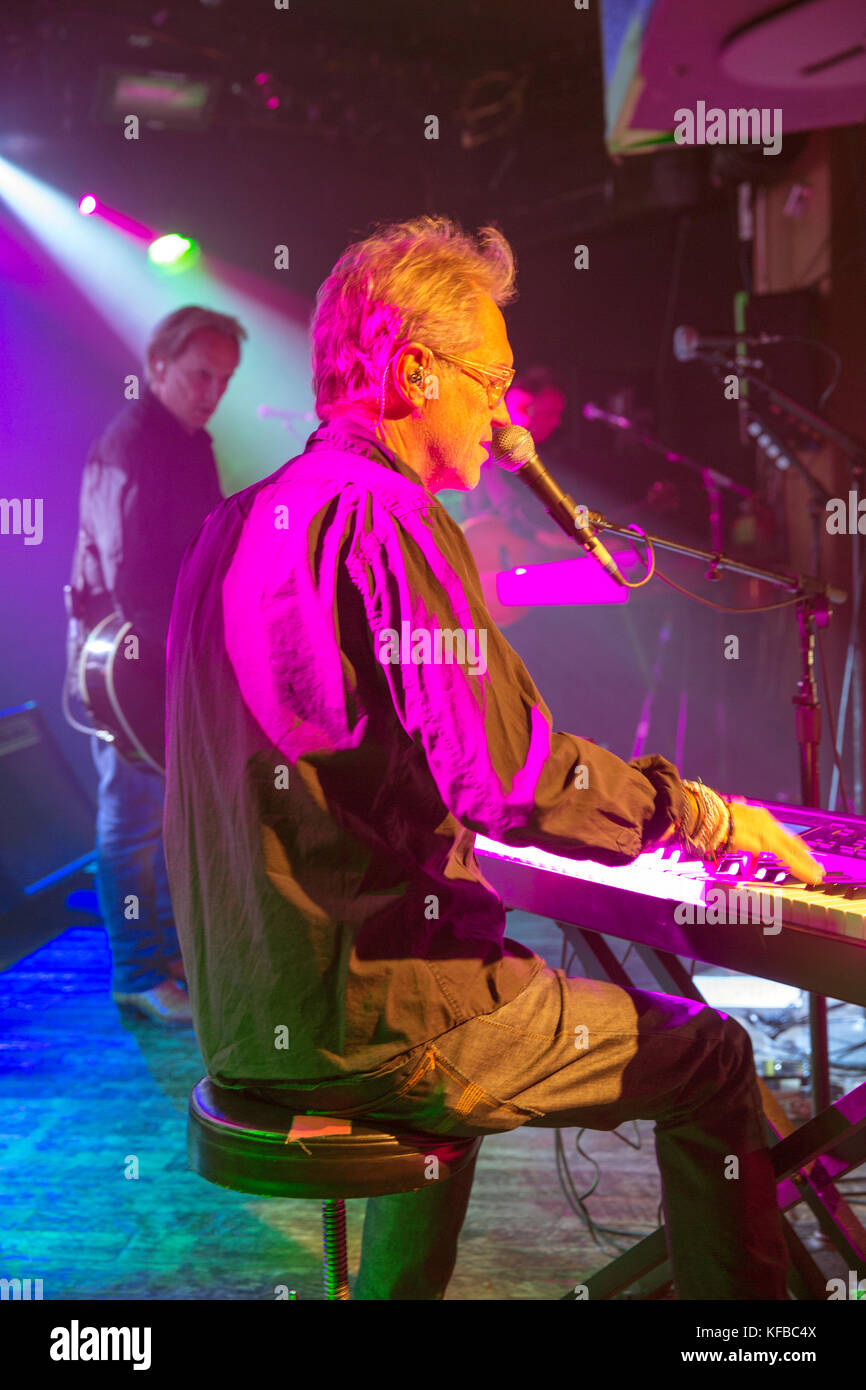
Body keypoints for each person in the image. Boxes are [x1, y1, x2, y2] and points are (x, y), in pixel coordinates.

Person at [162, 216, 824, 1299]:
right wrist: (700, 817)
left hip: (249, 1018)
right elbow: (512, 781)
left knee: (456, 1032)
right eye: (494, 381)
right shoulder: (391, 518)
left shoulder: (232, 525)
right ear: (415, 372)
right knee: (711, 1058)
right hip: (376, 1020)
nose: (508, 420)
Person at [67, 306, 246, 1025]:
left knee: (165, 815)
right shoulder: (132, 443)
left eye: (225, 380)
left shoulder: (189, 441)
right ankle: (138, 973)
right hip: (125, 659)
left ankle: (167, 959)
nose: (213, 392)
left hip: (161, 653)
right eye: (201, 374)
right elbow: (132, 580)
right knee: (132, 817)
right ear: (158, 364)